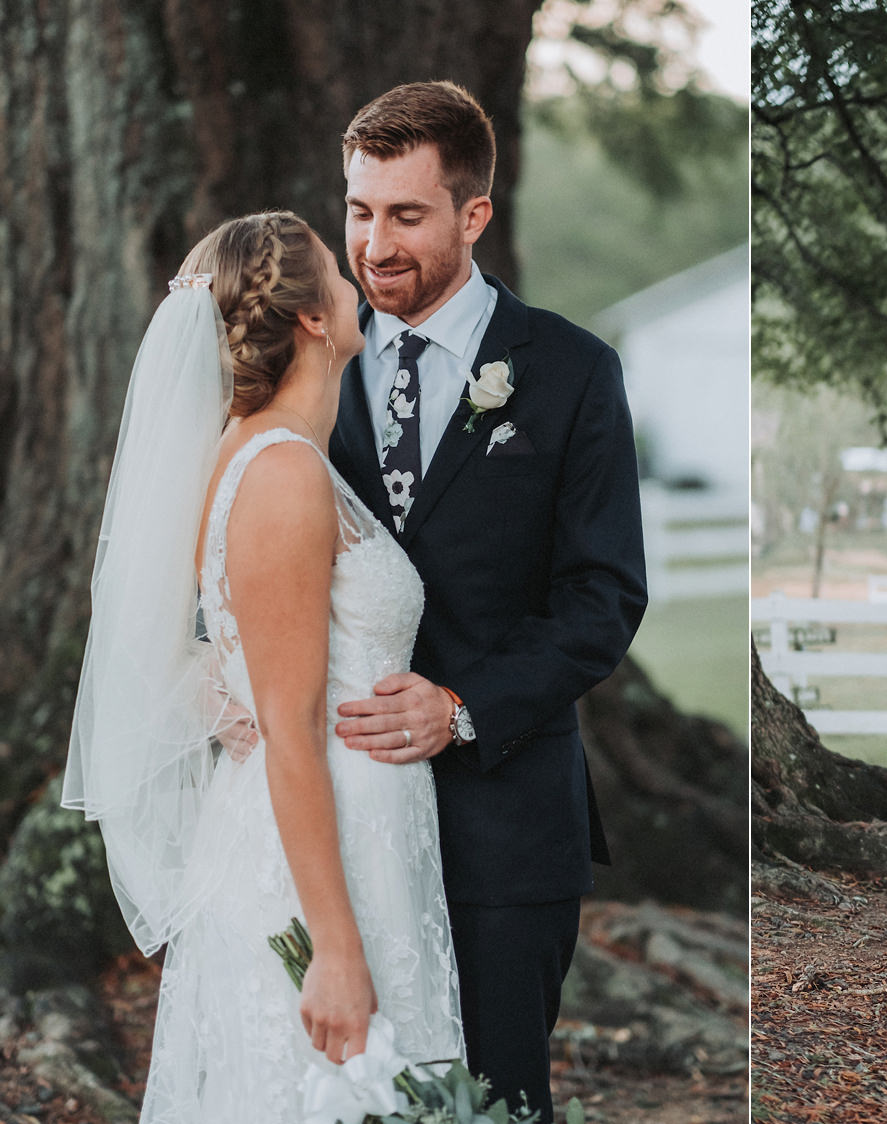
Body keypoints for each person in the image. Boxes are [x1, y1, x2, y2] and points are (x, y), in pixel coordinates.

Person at [63, 211, 463, 1122]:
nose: (354, 273)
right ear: (314, 318)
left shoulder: (266, 450)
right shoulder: (280, 469)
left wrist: (225, 689)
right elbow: (292, 726)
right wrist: (335, 948)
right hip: (319, 859)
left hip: (358, 831)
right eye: (335, 267)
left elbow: (217, 639)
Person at [326, 81, 648, 1122]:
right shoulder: (311, 357)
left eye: (406, 215)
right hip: (341, 822)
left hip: (507, 827)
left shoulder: (572, 371)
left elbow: (604, 595)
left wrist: (461, 707)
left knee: (497, 1102)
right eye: (359, 210)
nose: (375, 244)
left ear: (473, 215)